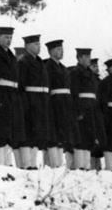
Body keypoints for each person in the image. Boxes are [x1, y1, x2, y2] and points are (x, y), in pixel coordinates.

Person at [0, 27, 25, 166]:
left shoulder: (11, 56)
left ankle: (7, 164)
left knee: (9, 130)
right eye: (5, 37)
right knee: (0, 131)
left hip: (11, 96)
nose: (8, 40)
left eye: (10, 37)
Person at [17, 35, 53, 169]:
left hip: (41, 102)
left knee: (37, 133)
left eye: (39, 44)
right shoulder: (23, 62)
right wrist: (25, 103)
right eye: (35, 44)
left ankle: (33, 162)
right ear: (27, 47)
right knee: (28, 133)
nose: (39, 47)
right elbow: (21, 85)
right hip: (30, 102)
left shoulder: (41, 63)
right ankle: (27, 163)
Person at [45, 39, 80, 168]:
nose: (62, 52)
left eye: (62, 49)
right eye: (59, 49)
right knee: (55, 134)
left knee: (64, 134)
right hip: (55, 103)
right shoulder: (48, 66)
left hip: (65, 103)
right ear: (51, 51)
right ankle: (53, 164)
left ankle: (60, 163)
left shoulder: (64, 68)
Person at [69, 48, 106, 170]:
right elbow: (74, 93)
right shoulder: (75, 73)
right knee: (81, 138)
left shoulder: (91, 74)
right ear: (79, 58)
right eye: (86, 57)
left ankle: (86, 165)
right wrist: (78, 111)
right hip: (83, 108)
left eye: (89, 57)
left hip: (92, 108)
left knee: (90, 138)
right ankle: (80, 165)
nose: (89, 59)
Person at [89, 58, 104, 170]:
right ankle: (92, 165)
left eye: (97, 66)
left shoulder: (99, 81)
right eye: (94, 66)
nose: (96, 68)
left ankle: (98, 165)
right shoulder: (90, 80)